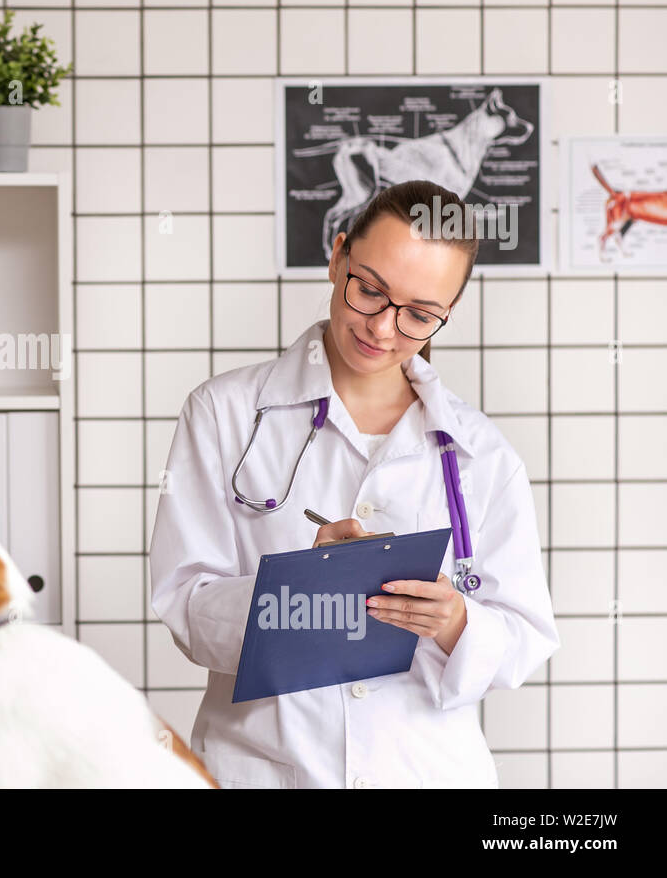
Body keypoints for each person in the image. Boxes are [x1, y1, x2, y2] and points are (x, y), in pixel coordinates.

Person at [149, 180, 560, 789]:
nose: (384, 328)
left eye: (420, 314)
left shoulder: (482, 455)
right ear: (339, 256)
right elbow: (185, 604)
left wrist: (453, 621)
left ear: (445, 314)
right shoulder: (225, 413)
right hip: (267, 770)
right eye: (369, 289)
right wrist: (298, 591)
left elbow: (524, 637)